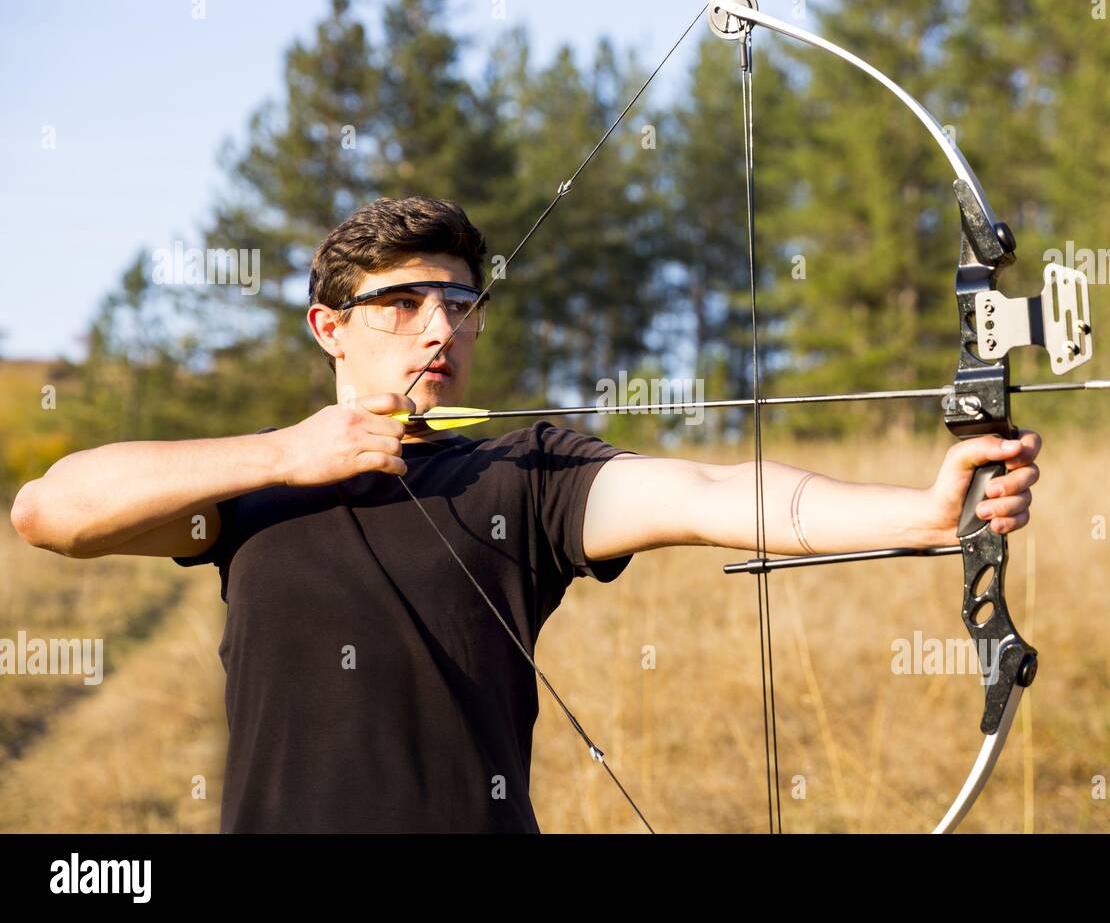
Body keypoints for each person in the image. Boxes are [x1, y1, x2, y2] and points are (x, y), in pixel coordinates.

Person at [9, 195, 1040, 832]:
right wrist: (286, 452)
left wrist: (922, 510)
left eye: (459, 304)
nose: (439, 327)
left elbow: (714, 493)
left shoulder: (523, 470)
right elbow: (49, 509)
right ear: (329, 327)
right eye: (403, 303)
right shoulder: (250, 492)